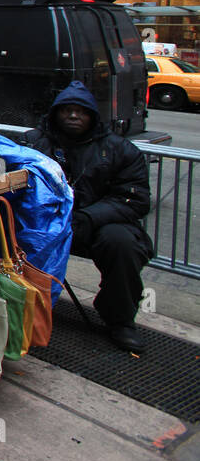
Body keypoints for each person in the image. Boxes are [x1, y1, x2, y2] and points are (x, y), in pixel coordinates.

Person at [24, 81, 153, 353]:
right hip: (44, 222)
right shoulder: (35, 142)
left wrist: (87, 218)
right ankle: (16, 306)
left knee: (122, 244)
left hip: (95, 225)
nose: (73, 116)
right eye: (67, 110)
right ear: (56, 113)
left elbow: (134, 198)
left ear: (92, 116)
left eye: (81, 112)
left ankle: (120, 319)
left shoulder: (121, 150)